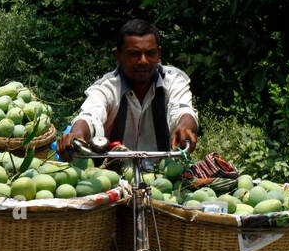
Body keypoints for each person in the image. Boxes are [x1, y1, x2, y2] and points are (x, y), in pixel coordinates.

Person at [55, 18, 199, 159]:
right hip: (112, 174)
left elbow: (183, 111)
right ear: (118, 56)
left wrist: (185, 127)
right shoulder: (108, 86)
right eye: (134, 54)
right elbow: (90, 115)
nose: (143, 61)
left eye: (150, 53)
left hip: (163, 175)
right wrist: (77, 134)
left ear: (159, 54)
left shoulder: (173, 80)